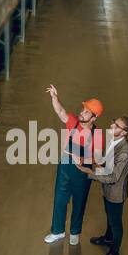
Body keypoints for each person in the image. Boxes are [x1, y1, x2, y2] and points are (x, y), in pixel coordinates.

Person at [44, 85, 103, 245]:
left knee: (79, 202)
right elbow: (60, 112)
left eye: (86, 112)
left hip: (82, 173)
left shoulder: (97, 135)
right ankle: (58, 231)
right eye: (82, 110)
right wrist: (55, 98)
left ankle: (75, 232)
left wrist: (82, 160)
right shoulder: (73, 123)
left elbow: (97, 159)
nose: (81, 113)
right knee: (60, 200)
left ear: (93, 118)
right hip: (64, 168)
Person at [78, 115, 128, 255]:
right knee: (108, 215)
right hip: (107, 189)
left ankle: (114, 253)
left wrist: (88, 172)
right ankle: (108, 238)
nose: (112, 126)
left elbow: (114, 177)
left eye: (117, 126)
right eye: (113, 122)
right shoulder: (112, 138)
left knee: (115, 223)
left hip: (115, 193)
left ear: (124, 133)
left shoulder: (125, 152)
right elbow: (107, 160)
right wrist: (92, 160)